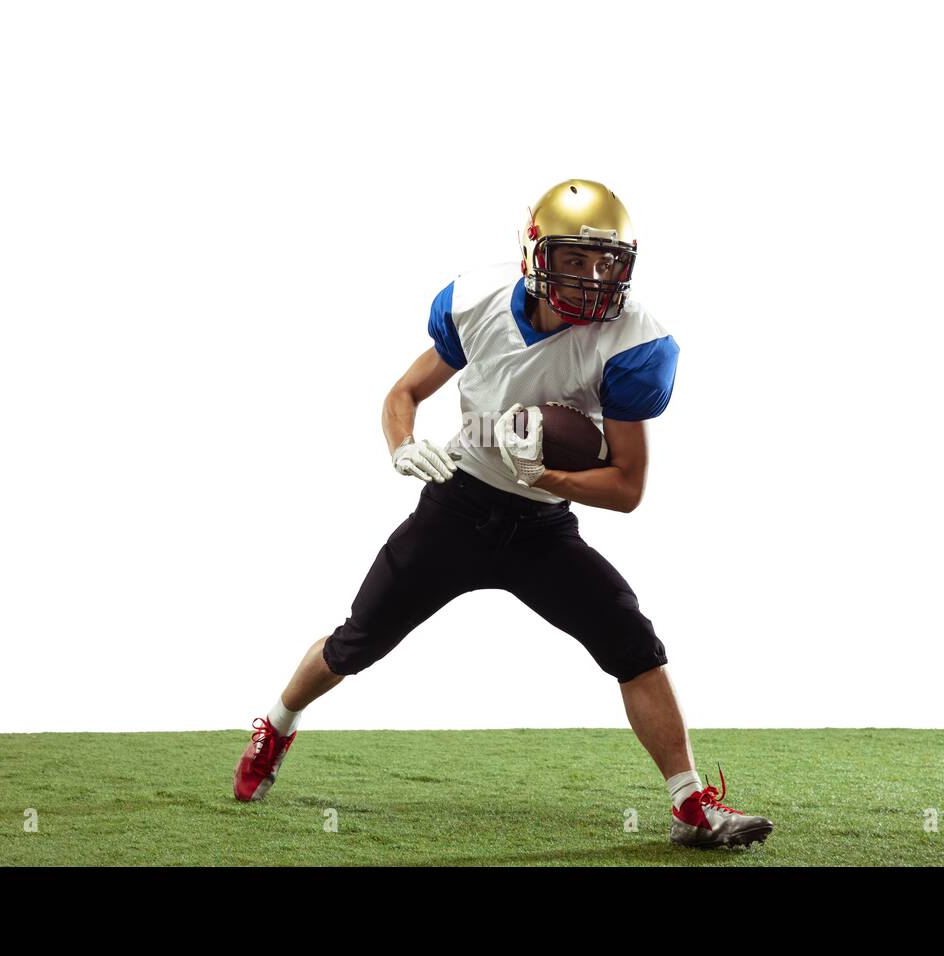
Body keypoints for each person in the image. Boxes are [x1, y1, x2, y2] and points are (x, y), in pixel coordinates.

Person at [232, 179, 774, 849]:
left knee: (635, 646)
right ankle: (277, 726)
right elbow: (404, 391)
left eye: (607, 262)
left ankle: (690, 807)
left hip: (541, 526)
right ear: (535, 255)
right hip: (457, 507)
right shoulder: (477, 302)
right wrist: (402, 447)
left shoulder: (633, 341)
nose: (593, 277)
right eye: (574, 259)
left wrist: (544, 475)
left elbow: (628, 487)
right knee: (356, 642)